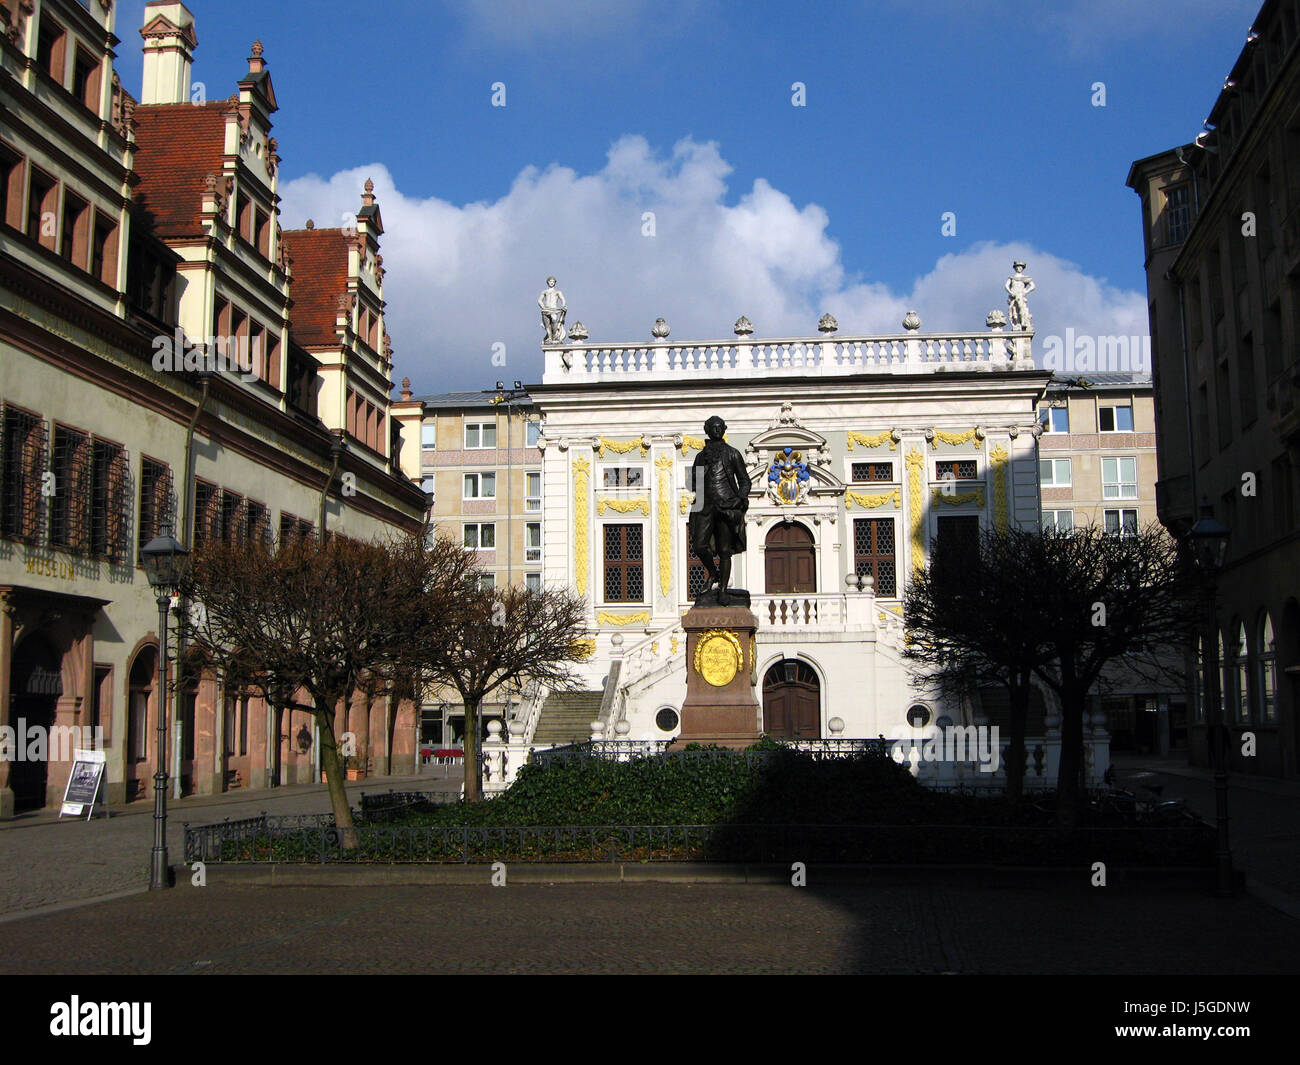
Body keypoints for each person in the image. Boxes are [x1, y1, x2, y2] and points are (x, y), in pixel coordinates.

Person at [687, 416, 752, 605]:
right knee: (699, 545)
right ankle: (713, 573)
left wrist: (739, 499)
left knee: (725, 550)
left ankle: (722, 590)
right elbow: (693, 484)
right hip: (705, 506)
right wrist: (697, 476)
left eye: (719, 427)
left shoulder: (733, 453)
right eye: (713, 428)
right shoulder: (701, 456)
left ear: (724, 429)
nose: (717, 430)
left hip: (726, 506)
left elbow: (745, 481)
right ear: (707, 430)